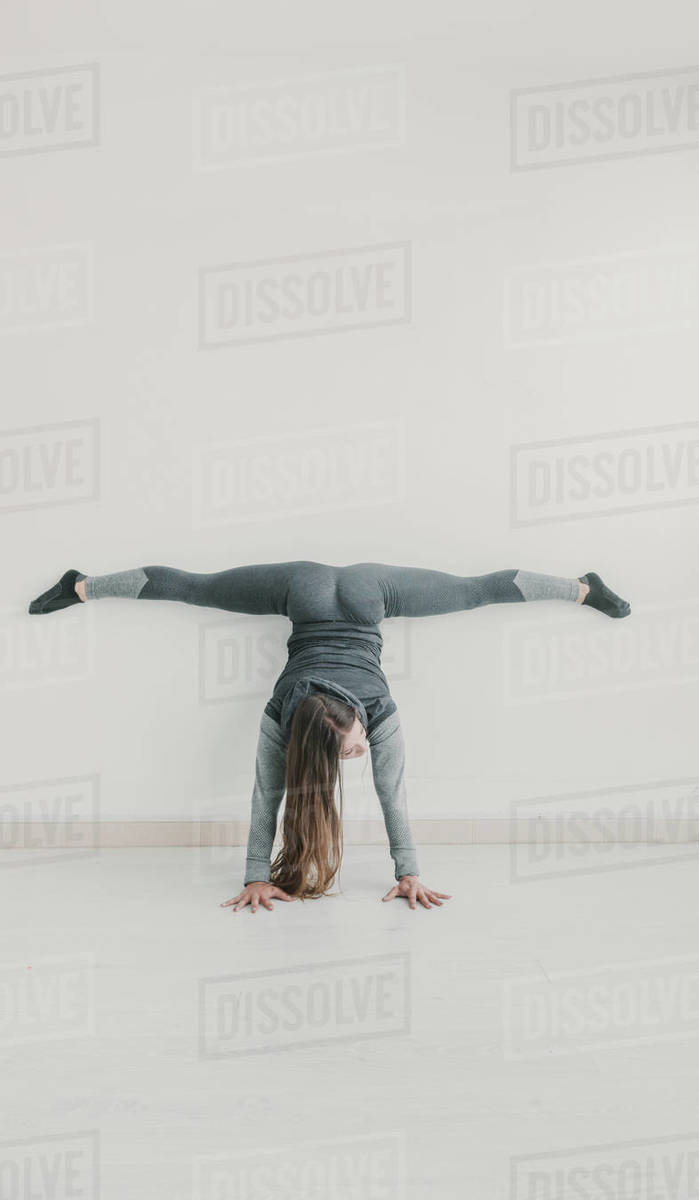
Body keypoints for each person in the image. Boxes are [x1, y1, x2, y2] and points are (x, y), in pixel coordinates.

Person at [29, 560, 630, 912]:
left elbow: (292, 797)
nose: (359, 753)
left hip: (337, 591)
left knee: (197, 587)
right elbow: (295, 796)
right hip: (321, 589)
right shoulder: (283, 719)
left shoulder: (375, 712)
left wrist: (406, 870)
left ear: (351, 720)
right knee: (475, 590)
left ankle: (79, 584)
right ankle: (584, 585)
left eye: (350, 747)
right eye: (352, 752)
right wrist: (404, 872)